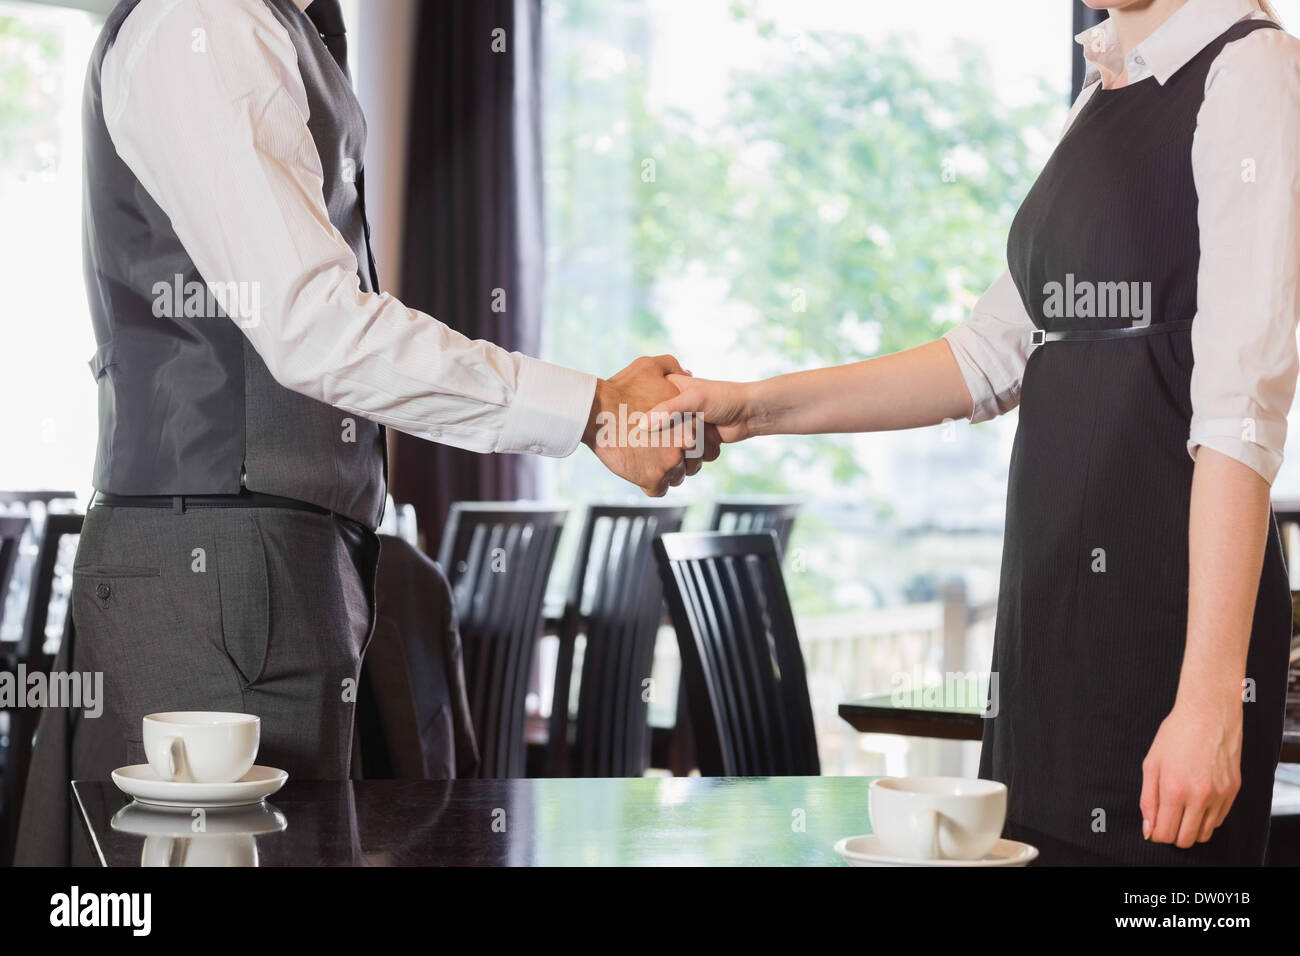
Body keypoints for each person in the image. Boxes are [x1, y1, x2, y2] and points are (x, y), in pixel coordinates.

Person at [653, 0, 1299, 864]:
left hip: (1168, 627)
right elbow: (990, 354)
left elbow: (1240, 411)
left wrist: (1212, 697)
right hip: (1047, 620)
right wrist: (755, 406)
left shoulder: (1253, 71)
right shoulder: (1103, 88)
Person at [67, 0, 715, 784]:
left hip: (279, 559)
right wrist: (591, 409)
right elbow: (313, 326)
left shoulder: (275, 26)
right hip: (217, 572)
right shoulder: (208, 22)